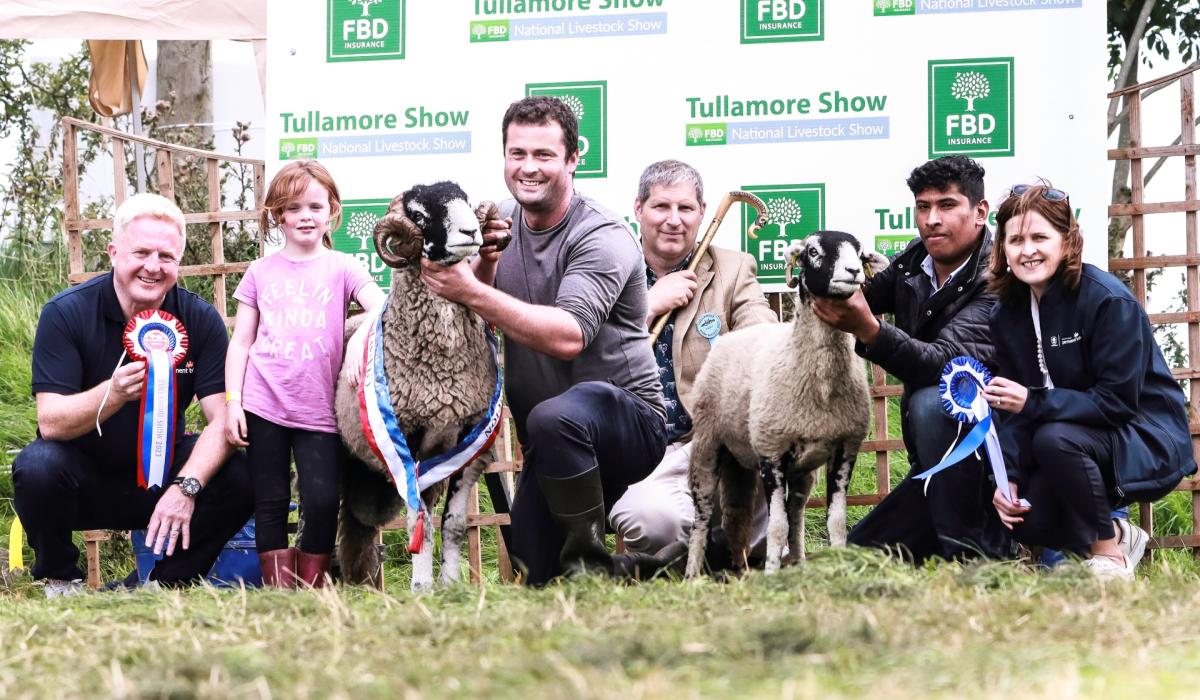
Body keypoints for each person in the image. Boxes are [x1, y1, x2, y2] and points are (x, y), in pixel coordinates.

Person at [419, 96, 667, 585]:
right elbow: (475, 312)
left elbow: (569, 335)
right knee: (536, 566)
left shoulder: (602, 234)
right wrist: (484, 265)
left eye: (544, 155)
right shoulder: (499, 219)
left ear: (574, 159)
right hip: (549, 441)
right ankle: (648, 571)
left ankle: (591, 571)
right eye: (518, 153)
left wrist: (468, 286)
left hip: (629, 422)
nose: (528, 167)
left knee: (557, 416)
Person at [13, 193, 254, 596]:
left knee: (245, 474)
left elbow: (222, 420)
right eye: (141, 252)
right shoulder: (65, 313)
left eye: (166, 256)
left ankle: (159, 585)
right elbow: (50, 421)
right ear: (113, 252)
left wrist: (186, 487)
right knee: (36, 466)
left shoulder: (200, 318)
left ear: (178, 261)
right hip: (83, 478)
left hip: (162, 481)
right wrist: (113, 393)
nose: (153, 266)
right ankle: (62, 581)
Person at [983, 183, 1195, 580]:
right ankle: (1118, 532)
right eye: (1015, 240)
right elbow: (1011, 411)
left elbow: (1116, 403)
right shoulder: (1005, 315)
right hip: (1070, 438)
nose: (1027, 250)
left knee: (1054, 438)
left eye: (1039, 237)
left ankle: (1108, 556)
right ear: (1002, 249)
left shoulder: (1107, 300)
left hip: (1143, 436)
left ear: (1067, 242)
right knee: (1024, 515)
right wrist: (1008, 477)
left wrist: (1033, 401)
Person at [811, 155, 1009, 563]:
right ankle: (948, 533)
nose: (932, 219)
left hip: (998, 460)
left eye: (947, 205)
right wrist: (826, 272)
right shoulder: (914, 261)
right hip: (936, 469)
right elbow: (861, 293)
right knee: (859, 558)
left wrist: (869, 329)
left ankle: (977, 559)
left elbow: (942, 364)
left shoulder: (998, 279)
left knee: (931, 401)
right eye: (923, 207)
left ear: (980, 212)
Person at [224, 160, 385, 588]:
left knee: (320, 499)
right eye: (293, 208)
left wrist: (357, 343)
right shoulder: (260, 272)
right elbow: (240, 342)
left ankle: (312, 587)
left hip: (319, 409)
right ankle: (279, 591)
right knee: (271, 501)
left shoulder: (343, 267)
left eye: (315, 206)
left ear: (331, 209)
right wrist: (233, 403)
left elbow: (381, 308)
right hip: (263, 404)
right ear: (278, 215)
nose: (305, 216)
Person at [607, 159, 775, 564]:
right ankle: (694, 562)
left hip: (712, 438)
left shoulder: (732, 268)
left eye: (685, 209)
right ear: (638, 210)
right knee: (652, 522)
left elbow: (763, 337)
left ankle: (739, 558)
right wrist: (647, 306)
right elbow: (583, 349)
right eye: (661, 207)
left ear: (702, 212)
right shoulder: (607, 267)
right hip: (642, 449)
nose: (673, 220)